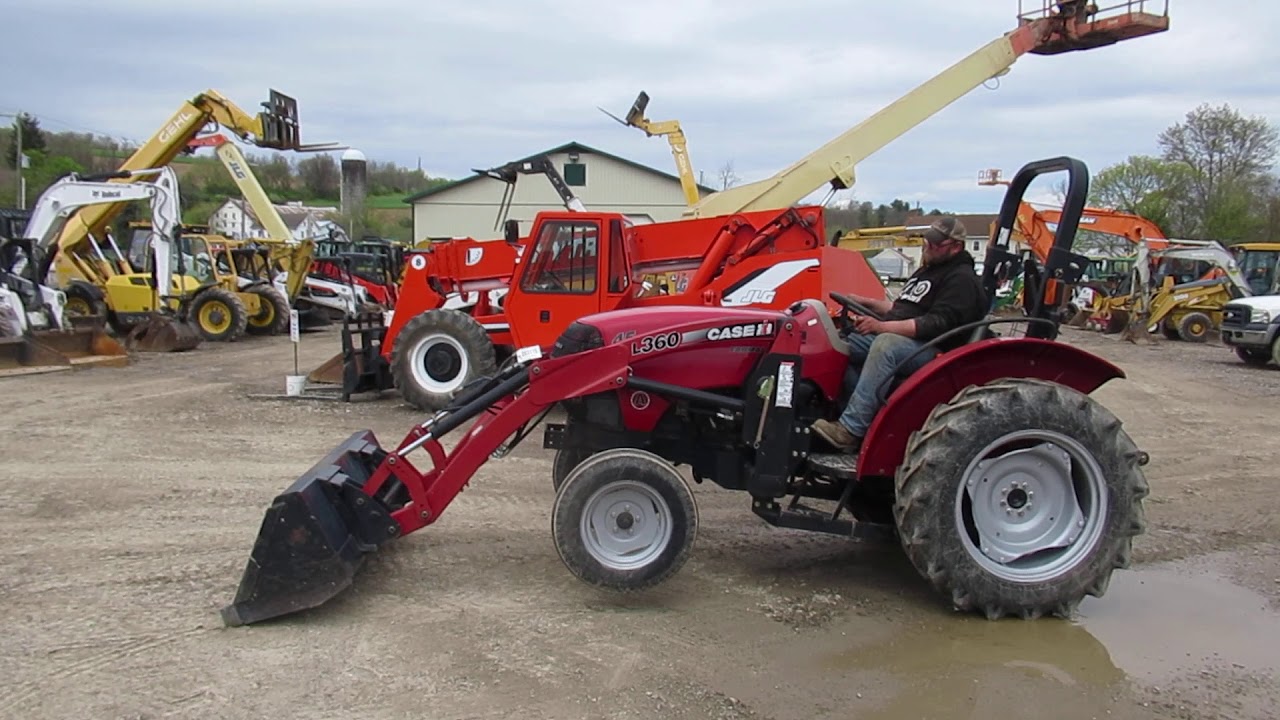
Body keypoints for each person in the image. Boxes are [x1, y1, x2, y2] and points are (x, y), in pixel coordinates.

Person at [811, 216, 988, 453]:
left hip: (934, 350)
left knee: (886, 344)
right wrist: (865, 302)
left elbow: (935, 324)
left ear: (956, 246)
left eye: (936, 244)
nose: (928, 247)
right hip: (912, 341)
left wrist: (881, 327)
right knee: (841, 345)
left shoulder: (961, 279)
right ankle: (843, 414)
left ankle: (850, 430)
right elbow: (902, 309)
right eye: (927, 241)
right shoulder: (927, 271)